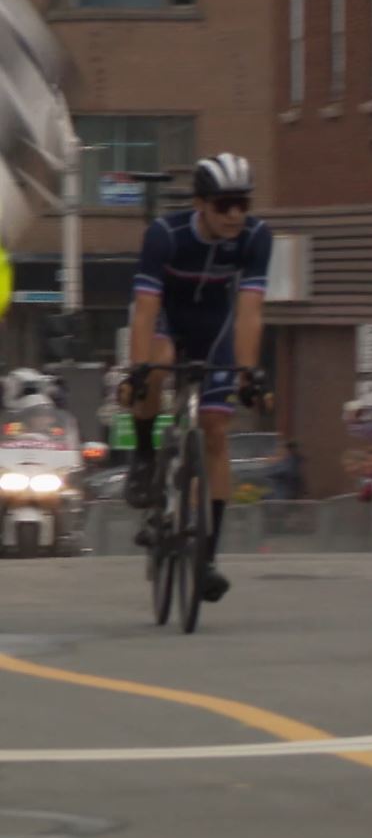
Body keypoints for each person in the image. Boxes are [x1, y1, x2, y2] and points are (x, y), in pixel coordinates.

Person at [118, 153, 273, 604]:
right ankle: (145, 454)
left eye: (242, 204)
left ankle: (206, 557)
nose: (235, 215)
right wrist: (137, 369)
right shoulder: (166, 235)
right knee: (156, 367)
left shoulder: (257, 237)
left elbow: (250, 310)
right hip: (168, 317)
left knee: (216, 432)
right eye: (224, 205)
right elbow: (145, 309)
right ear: (201, 203)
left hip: (215, 328)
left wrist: (250, 371)